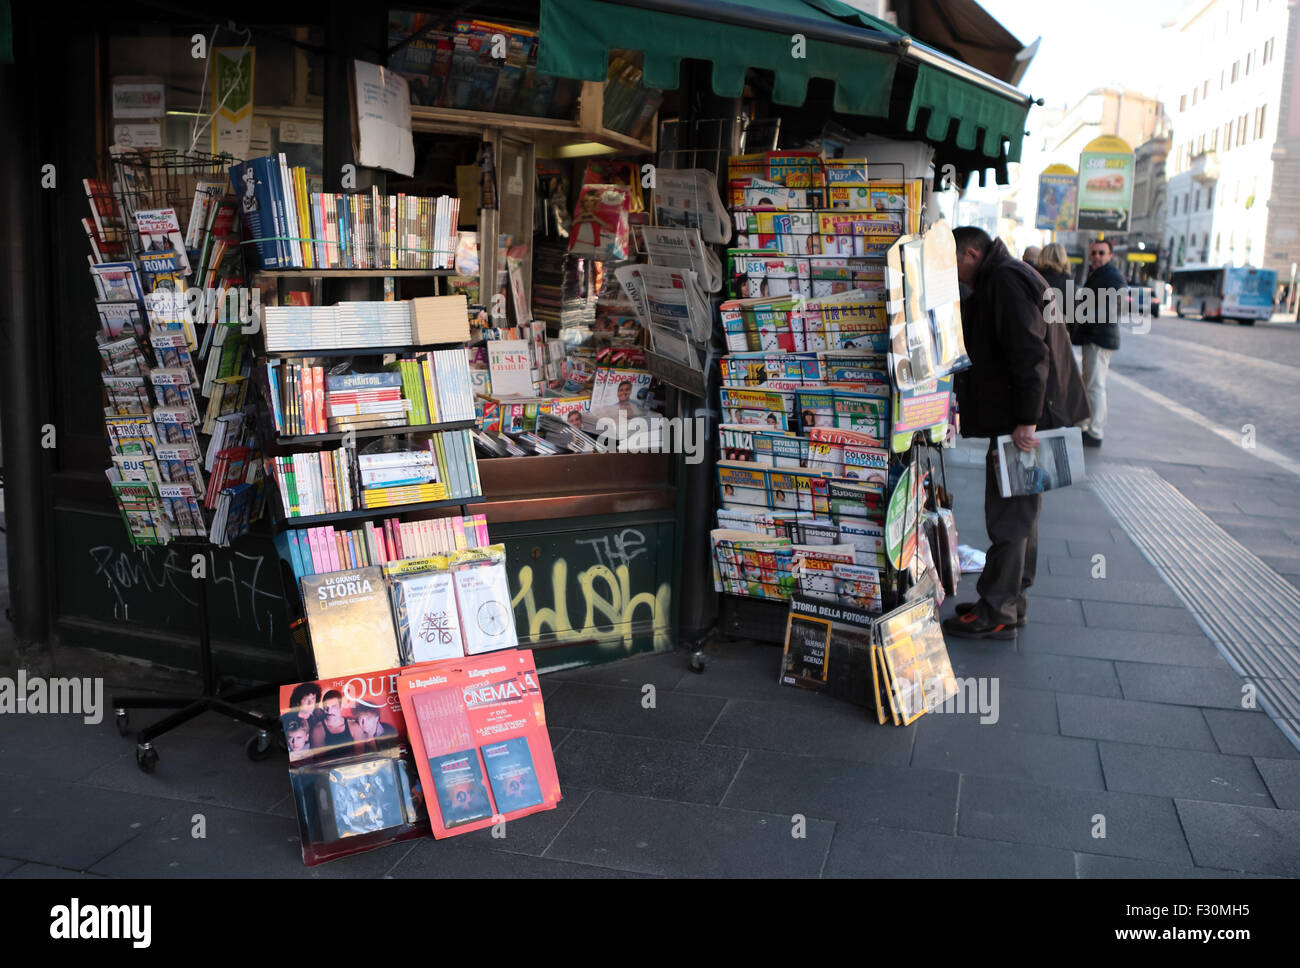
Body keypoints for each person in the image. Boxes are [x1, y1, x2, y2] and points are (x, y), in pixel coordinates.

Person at [945, 227, 1090, 640]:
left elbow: (1031, 353)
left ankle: (997, 609)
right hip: (1027, 415)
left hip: (1027, 419)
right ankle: (1010, 602)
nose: (950, 271)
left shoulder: (1005, 278)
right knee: (1022, 512)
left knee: (1010, 514)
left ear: (971, 253)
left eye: (952, 261)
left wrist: (1026, 420)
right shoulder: (1005, 274)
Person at [1073, 238, 1125, 447]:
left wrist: (1082, 314)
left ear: (1111, 255)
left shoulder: (1111, 276)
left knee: (1095, 385)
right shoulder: (1100, 274)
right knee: (1089, 383)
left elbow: (1112, 309)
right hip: (1094, 336)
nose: (1097, 256)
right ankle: (1085, 425)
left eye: (1101, 253)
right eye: (1094, 252)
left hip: (1099, 337)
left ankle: (1095, 431)